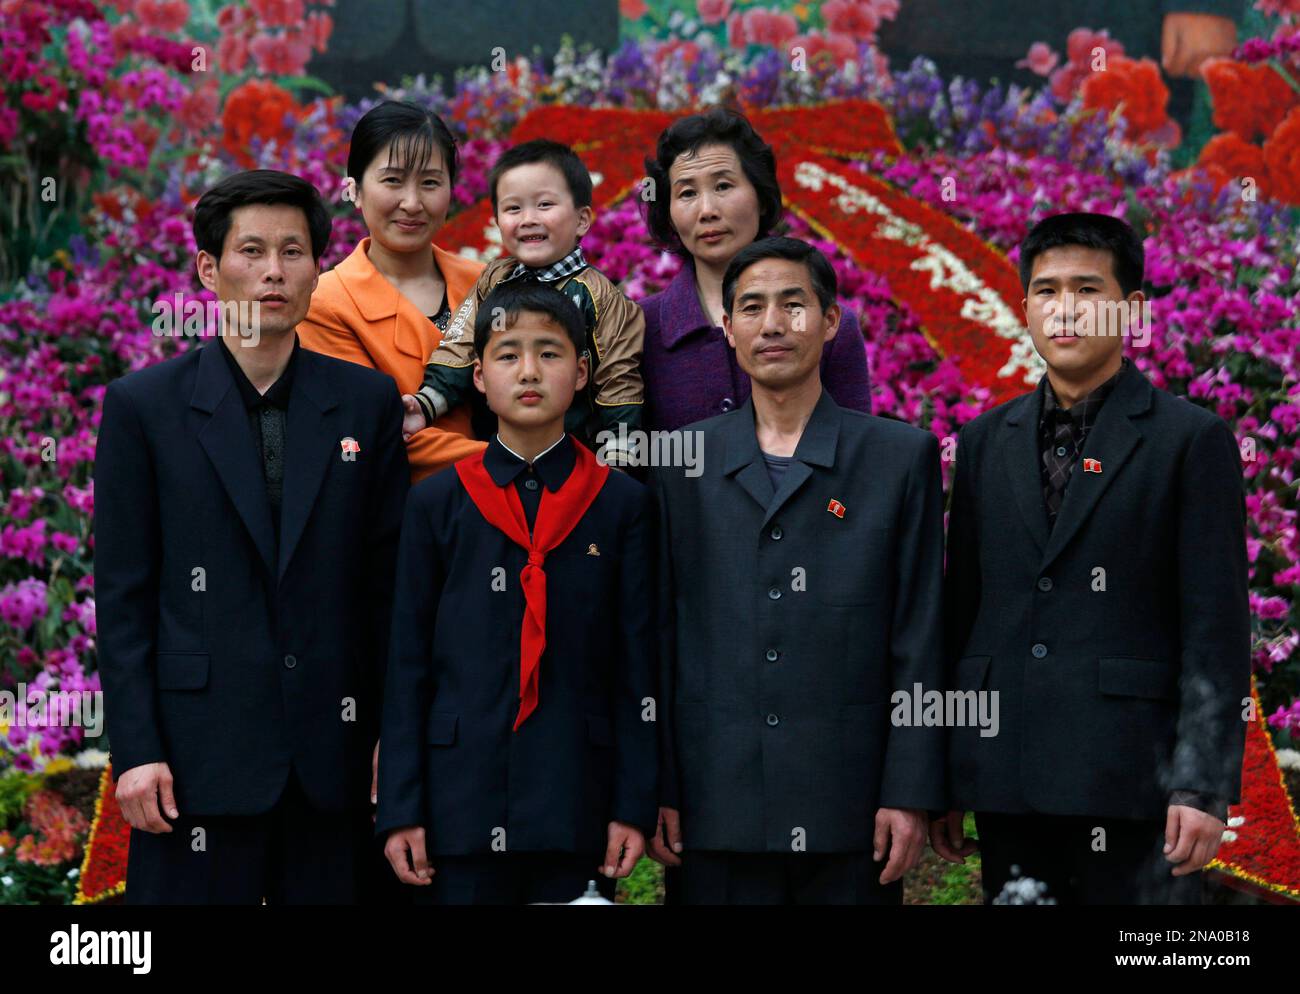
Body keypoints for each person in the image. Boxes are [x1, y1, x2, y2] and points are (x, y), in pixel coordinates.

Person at [94, 169, 410, 904]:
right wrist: (136, 752)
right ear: (209, 269)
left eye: (294, 252)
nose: (273, 272)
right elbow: (124, 595)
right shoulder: (144, 408)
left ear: (316, 268)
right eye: (253, 251)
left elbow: (389, 588)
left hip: (335, 756)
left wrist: (394, 736)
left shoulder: (363, 403)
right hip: (195, 762)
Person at [934, 212, 1250, 904]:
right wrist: (946, 774)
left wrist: (1202, 784)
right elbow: (963, 614)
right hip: (1007, 776)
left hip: (1135, 780)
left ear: (1131, 309)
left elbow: (1216, 630)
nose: (1065, 309)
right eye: (1046, 291)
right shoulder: (985, 441)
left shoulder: (1190, 441)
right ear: (1025, 309)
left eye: (1087, 289)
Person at [647, 237, 946, 904]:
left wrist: (909, 793)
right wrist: (660, 783)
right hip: (712, 803)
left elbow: (919, 636)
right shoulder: (678, 463)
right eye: (751, 308)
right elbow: (662, 635)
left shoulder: (898, 459)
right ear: (727, 330)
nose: (773, 325)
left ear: (831, 321)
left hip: (849, 807)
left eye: (793, 305)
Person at [377, 280, 658, 904]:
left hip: (577, 798)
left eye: (550, 353)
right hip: (459, 801)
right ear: (477, 376)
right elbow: (406, 665)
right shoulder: (436, 503)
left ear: (583, 372)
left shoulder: (621, 504)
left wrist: (633, 805)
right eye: (507, 355)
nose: (529, 371)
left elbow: (636, 668)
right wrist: (401, 807)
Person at [405, 139, 645, 466]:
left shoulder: (600, 297)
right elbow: (460, 343)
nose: (528, 219)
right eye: (513, 208)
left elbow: (619, 382)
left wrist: (618, 463)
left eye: (545, 205)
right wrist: (426, 403)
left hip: (573, 461)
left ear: (582, 220)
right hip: (496, 455)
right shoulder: (494, 280)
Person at [638, 107, 871, 433]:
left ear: (761, 197)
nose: (707, 211)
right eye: (687, 193)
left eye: (722, 186)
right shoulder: (639, 329)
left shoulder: (828, 326)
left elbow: (857, 452)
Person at [297, 100, 487, 483]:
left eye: (431, 182)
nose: (412, 203)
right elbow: (379, 437)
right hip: (411, 521)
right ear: (354, 189)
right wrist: (530, 463)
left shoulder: (487, 282)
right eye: (393, 180)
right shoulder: (324, 305)